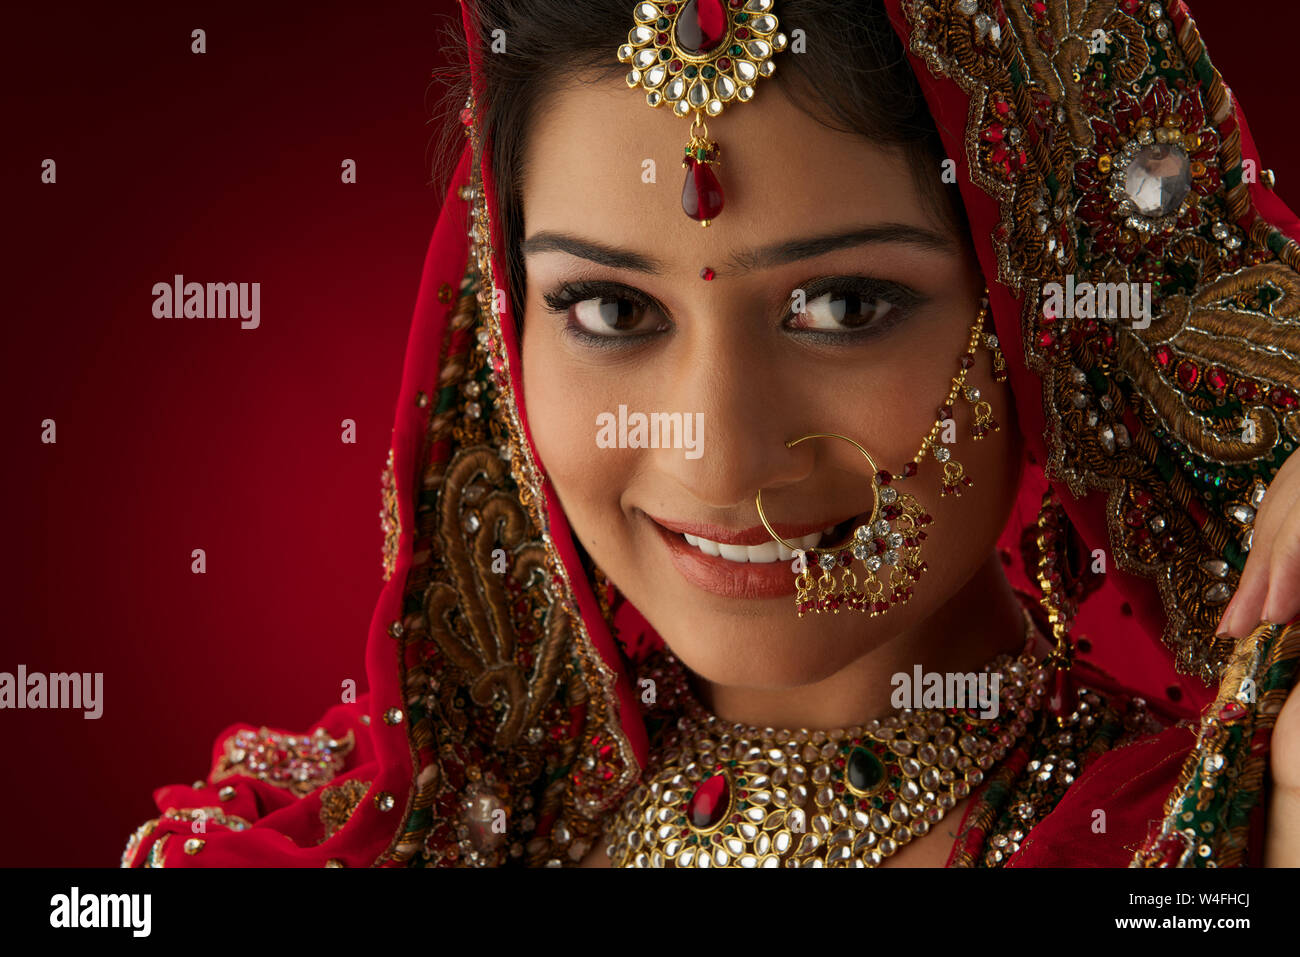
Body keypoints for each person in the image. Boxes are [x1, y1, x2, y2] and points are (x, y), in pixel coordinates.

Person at [122, 0, 1300, 868]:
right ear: (496, 327)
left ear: (1046, 311)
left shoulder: (1210, 836)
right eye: (612, 311)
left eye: (844, 308)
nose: (713, 453)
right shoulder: (378, 831)